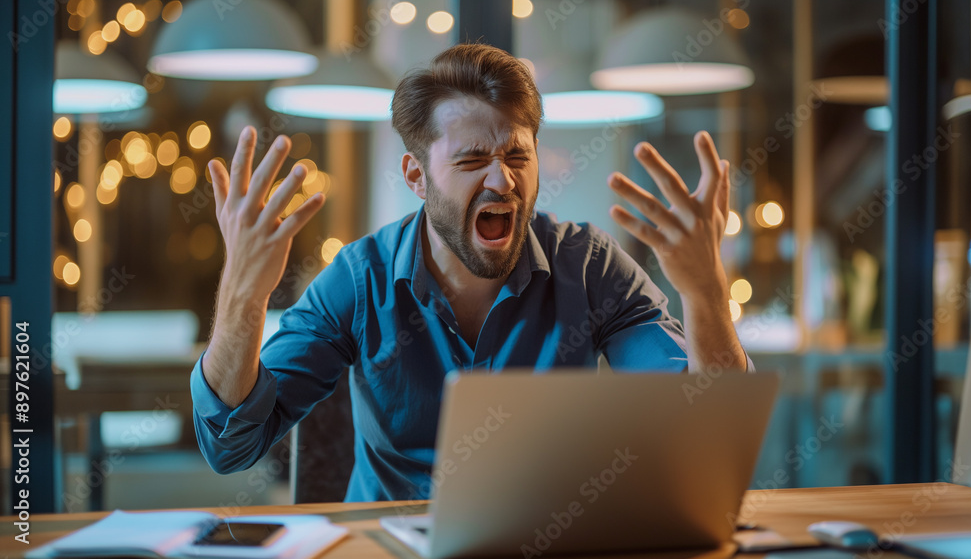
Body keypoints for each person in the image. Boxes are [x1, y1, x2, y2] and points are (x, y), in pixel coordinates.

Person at [190, 43, 750, 502]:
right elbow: (231, 447)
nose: (502, 181)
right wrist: (243, 294)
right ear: (416, 175)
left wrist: (705, 293)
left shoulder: (588, 266)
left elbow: (710, 433)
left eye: (516, 156)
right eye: (472, 159)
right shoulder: (360, 280)